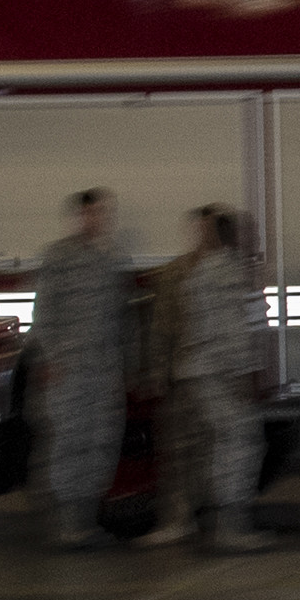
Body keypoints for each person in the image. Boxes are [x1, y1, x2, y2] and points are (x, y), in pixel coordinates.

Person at [141, 207, 268, 554]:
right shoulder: (217, 272)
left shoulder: (207, 273)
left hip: (198, 373)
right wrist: (245, 373)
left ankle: (215, 523)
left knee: (219, 448)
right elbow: (230, 332)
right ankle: (218, 525)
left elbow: (251, 326)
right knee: (229, 444)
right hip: (214, 375)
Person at [31, 189, 128, 549]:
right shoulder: (59, 257)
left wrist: (122, 368)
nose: (96, 220)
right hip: (67, 369)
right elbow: (43, 313)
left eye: (102, 214)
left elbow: (120, 318)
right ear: (78, 216)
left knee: (100, 441)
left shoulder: (113, 257)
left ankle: (85, 522)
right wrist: (49, 358)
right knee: (67, 443)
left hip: (103, 370)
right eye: (89, 214)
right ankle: (64, 524)